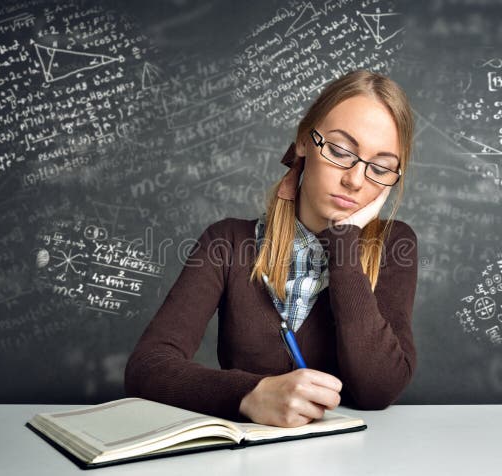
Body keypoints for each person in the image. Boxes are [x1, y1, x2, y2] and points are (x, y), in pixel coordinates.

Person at [124, 69, 418, 428]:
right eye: (340, 151)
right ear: (304, 141)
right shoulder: (226, 242)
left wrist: (343, 239)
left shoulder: (395, 244)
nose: (355, 180)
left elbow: (378, 389)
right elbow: (147, 367)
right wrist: (250, 394)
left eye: (381, 169)